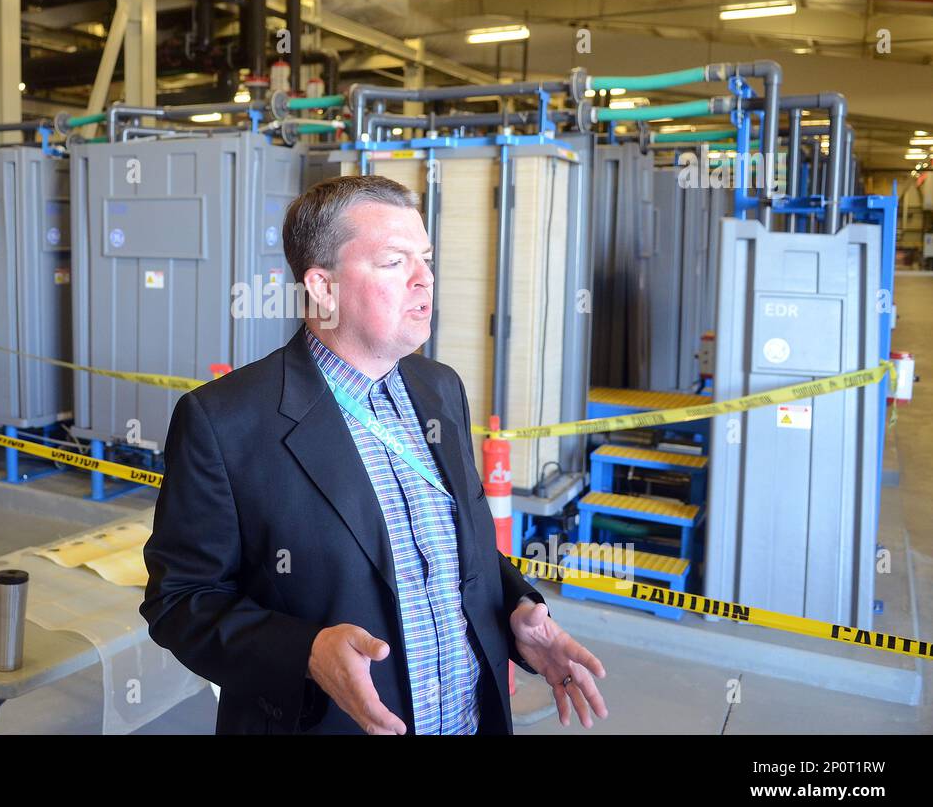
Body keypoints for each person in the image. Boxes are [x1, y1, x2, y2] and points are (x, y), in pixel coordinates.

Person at [141, 173, 607, 735]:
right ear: (323, 287)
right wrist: (306, 651)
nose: (424, 280)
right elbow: (181, 601)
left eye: (426, 259)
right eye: (393, 262)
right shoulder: (225, 422)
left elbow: (461, 549)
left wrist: (519, 611)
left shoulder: (441, 389)